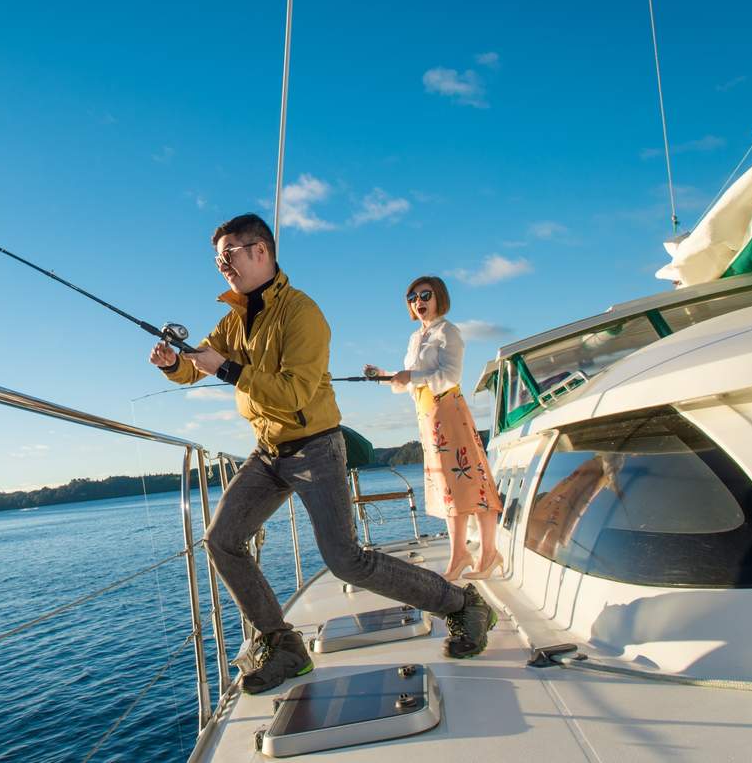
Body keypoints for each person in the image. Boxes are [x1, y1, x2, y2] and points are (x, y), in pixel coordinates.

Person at [150, 214, 496, 695]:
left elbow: (294, 393)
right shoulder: (235, 318)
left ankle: (463, 605)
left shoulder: (302, 313)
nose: (221, 265)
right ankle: (284, 646)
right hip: (269, 450)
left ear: (260, 251)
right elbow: (198, 364)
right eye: (217, 259)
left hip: (315, 446)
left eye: (228, 255)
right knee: (222, 540)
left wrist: (227, 369)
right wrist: (174, 364)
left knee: (345, 560)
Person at [365, 275, 503, 582]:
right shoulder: (416, 337)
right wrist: (384, 375)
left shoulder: (448, 331)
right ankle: (463, 554)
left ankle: (483, 554)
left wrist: (411, 377)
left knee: (470, 481)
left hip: (448, 410)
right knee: (449, 486)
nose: (419, 301)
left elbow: (451, 375)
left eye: (425, 295)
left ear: (439, 297)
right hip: (428, 416)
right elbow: (409, 380)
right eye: (412, 298)